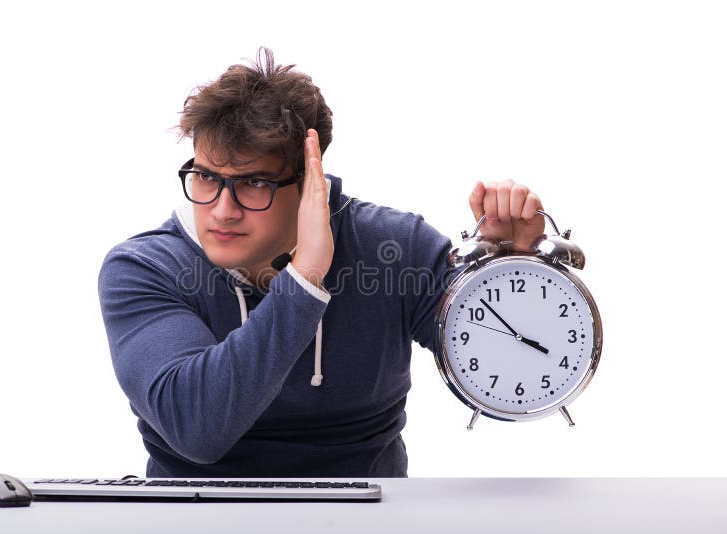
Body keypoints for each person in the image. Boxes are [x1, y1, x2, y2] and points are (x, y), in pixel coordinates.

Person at [98, 48, 546, 478]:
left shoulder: (397, 248)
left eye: (253, 183)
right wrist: (305, 278)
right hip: (196, 517)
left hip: (370, 519)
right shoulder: (143, 268)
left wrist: (504, 274)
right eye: (206, 177)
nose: (222, 209)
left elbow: (508, 389)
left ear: (310, 180)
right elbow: (196, 428)